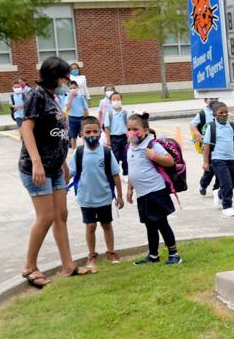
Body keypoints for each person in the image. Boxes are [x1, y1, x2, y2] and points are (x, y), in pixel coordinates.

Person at [19, 56, 93, 288]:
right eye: (64, 77)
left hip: (55, 168)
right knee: (47, 217)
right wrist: (37, 162)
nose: (66, 81)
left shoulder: (52, 97)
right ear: (54, 76)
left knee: (61, 215)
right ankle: (30, 266)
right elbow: (26, 128)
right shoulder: (36, 95)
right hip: (36, 169)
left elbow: (55, 133)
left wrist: (62, 163)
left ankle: (68, 265)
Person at [125, 112, 182, 265]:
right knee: (149, 225)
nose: (132, 132)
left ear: (145, 130)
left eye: (135, 129)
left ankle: (174, 253)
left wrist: (154, 156)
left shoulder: (152, 145)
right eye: (129, 129)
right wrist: (130, 189)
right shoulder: (130, 146)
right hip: (142, 194)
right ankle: (153, 255)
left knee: (161, 223)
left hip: (155, 191)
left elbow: (170, 161)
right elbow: (132, 169)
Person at [72, 116, 124, 266]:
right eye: (87, 132)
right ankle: (92, 255)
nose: (91, 135)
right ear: (81, 134)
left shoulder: (107, 152)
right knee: (90, 226)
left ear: (101, 132)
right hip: (85, 198)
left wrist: (119, 196)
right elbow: (70, 173)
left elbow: (115, 174)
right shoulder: (78, 152)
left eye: (95, 131)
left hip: (104, 197)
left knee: (107, 224)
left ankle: (111, 252)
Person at [203, 101, 234, 217]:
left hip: (231, 158)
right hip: (217, 159)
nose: (224, 115)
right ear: (214, 115)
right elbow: (207, 146)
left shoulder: (231, 126)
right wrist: (206, 162)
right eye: (221, 113)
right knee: (226, 182)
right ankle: (227, 206)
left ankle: (219, 194)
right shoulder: (211, 128)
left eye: (226, 112)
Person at [104, 91, 130, 171]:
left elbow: (129, 126)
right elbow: (107, 127)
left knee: (126, 156)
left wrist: (129, 136)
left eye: (118, 99)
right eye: (114, 99)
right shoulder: (109, 114)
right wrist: (108, 140)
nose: (116, 101)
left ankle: (126, 172)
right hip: (114, 138)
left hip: (124, 138)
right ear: (110, 102)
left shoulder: (125, 113)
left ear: (121, 100)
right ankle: (115, 172)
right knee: (115, 156)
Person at [63, 79, 89, 148]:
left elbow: (85, 108)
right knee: (73, 136)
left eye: (74, 88)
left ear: (77, 88)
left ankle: (84, 148)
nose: (72, 89)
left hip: (81, 118)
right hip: (72, 118)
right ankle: (74, 149)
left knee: (83, 134)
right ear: (68, 89)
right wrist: (71, 97)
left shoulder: (81, 97)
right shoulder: (67, 97)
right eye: (70, 88)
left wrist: (87, 119)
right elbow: (67, 107)